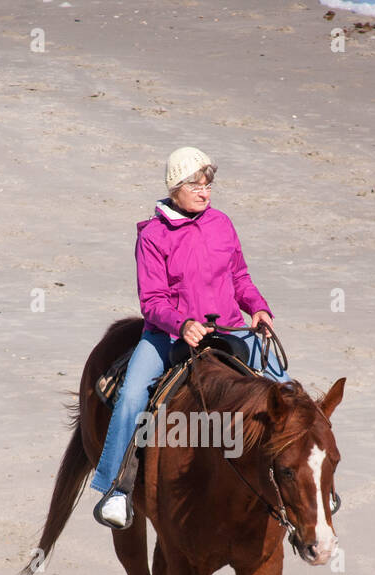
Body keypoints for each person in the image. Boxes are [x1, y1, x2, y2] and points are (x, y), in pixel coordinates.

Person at [91, 146, 290, 529]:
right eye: (195, 184)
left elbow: (240, 278)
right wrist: (181, 324)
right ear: (175, 188)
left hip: (229, 329)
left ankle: (295, 479)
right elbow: (151, 300)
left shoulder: (222, 224)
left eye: (208, 184)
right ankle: (116, 489)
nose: (204, 192)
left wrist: (258, 308)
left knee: (286, 388)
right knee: (132, 395)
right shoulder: (152, 235)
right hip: (168, 336)